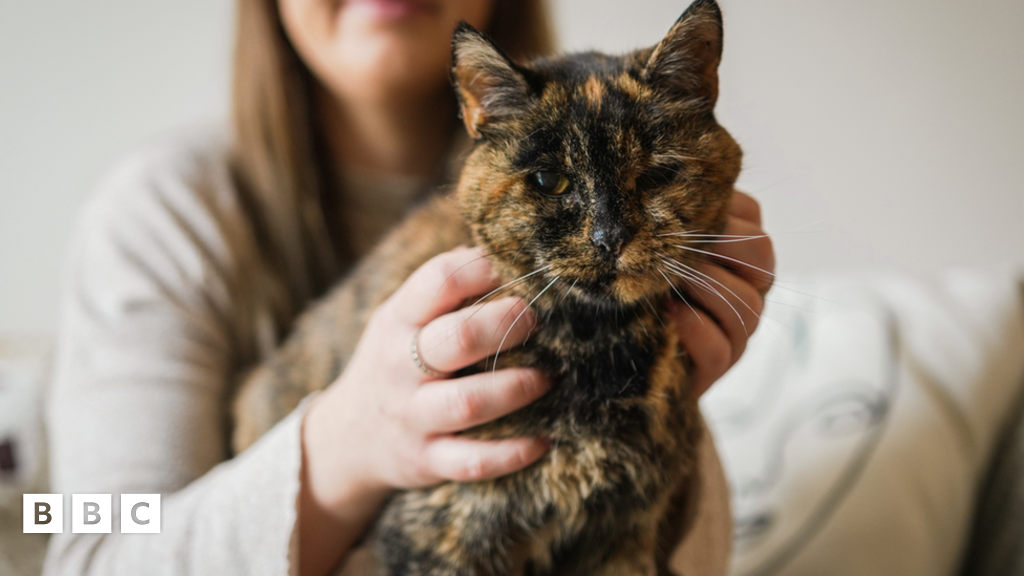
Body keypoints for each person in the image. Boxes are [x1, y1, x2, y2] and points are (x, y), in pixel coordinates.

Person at [44, 0, 775, 575]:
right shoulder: (162, 212)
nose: (609, 234)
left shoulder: (623, 150)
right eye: (549, 184)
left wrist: (670, 404)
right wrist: (344, 445)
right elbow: (89, 546)